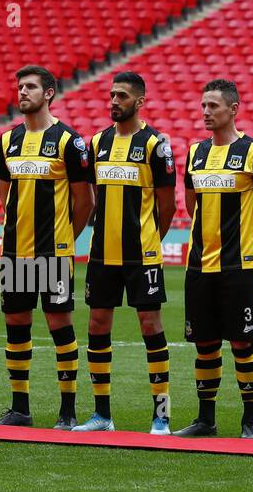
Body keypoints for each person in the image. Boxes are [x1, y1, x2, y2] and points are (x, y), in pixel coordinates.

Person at [173, 79, 253, 439]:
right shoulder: (195, 152)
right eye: (203, 105)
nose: (206, 112)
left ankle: (250, 420)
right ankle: (206, 418)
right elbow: (191, 202)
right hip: (200, 264)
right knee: (204, 343)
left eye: (213, 106)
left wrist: (249, 235)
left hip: (239, 267)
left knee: (242, 343)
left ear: (233, 109)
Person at [74, 72, 177, 435]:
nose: (114, 101)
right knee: (97, 326)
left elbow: (167, 207)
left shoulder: (155, 145)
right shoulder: (98, 141)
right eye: (112, 95)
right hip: (102, 254)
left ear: (140, 101)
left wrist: (150, 239)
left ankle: (161, 415)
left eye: (122, 96)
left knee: (151, 327)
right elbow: (93, 197)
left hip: (141, 256)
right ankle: (102, 414)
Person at [0, 65, 94, 428]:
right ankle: (20, 409)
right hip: (14, 250)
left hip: (53, 251)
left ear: (49, 93)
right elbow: (6, 194)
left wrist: (65, 236)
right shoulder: (7, 141)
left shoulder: (69, 141)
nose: (23, 92)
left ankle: (67, 411)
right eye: (20, 87)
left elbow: (85, 200)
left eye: (31, 87)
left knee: (59, 326)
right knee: (16, 325)